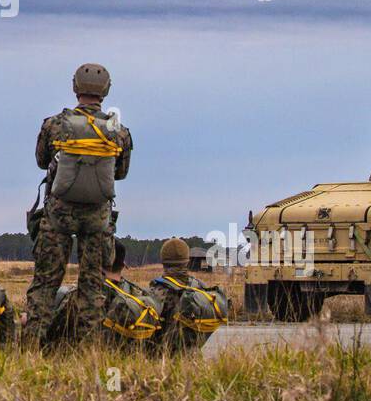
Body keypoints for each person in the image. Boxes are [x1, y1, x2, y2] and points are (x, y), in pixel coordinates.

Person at [24, 63, 133, 344]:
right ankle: (88, 353)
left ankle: (31, 349)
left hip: (59, 213)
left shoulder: (55, 124)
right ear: (106, 90)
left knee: (46, 285)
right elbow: (120, 173)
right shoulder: (118, 130)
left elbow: (40, 161)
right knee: (92, 288)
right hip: (97, 217)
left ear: (75, 88)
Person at [45, 239, 162, 346]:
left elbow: (52, 332)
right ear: (123, 265)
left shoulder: (82, 294)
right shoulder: (138, 294)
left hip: (84, 359)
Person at [147, 238, 229, 352]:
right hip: (193, 357)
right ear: (187, 261)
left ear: (163, 261)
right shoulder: (200, 287)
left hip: (161, 359)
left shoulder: (155, 290)